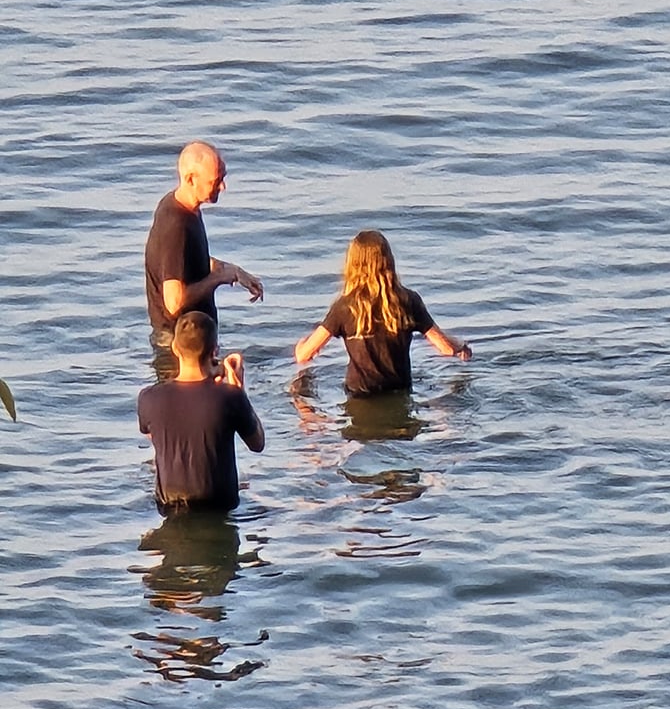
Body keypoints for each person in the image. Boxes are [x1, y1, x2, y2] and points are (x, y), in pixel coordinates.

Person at [294, 230, 471, 396]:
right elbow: (446, 348)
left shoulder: (344, 307)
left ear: (353, 265)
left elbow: (305, 355)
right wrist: (461, 345)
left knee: (300, 387)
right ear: (388, 261)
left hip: (359, 394)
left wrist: (301, 346)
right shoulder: (408, 301)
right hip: (399, 389)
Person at [138, 311, 265, 514]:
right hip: (218, 504)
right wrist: (239, 391)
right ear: (214, 351)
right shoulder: (230, 397)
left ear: (175, 349)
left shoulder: (149, 397)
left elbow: (155, 438)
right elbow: (257, 444)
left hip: (170, 505)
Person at [144, 140, 263, 347]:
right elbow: (174, 303)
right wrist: (218, 278)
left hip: (191, 338)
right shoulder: (176, 225)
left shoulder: (181, 208)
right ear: (191, 179)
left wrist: (232, 270)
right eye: (215, 181)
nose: (223, 187)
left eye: (223, 178)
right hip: (180, 343)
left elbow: (185, 260)